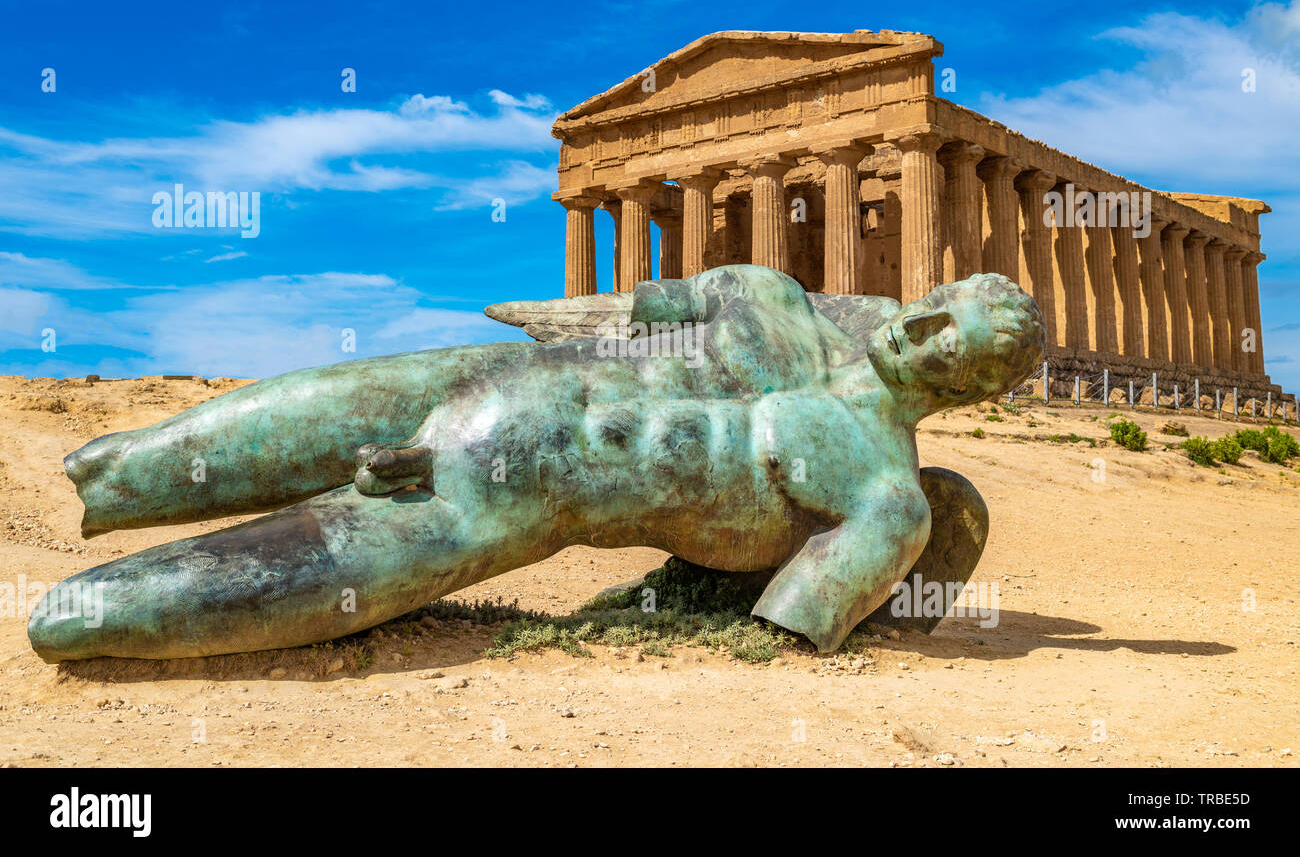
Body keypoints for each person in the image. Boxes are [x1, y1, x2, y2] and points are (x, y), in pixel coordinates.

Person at [30, 265, 1043, 661]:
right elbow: (632, 308)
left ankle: (74, 621)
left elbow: (779, 623)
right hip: (495, 371)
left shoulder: (883, 498)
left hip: (523, 491)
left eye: (962, 343)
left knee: (82, 619)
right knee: (129, 464)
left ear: (971, 386)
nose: (924, 326)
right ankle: (108, 483)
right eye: (939, 302)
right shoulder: (769, 294)